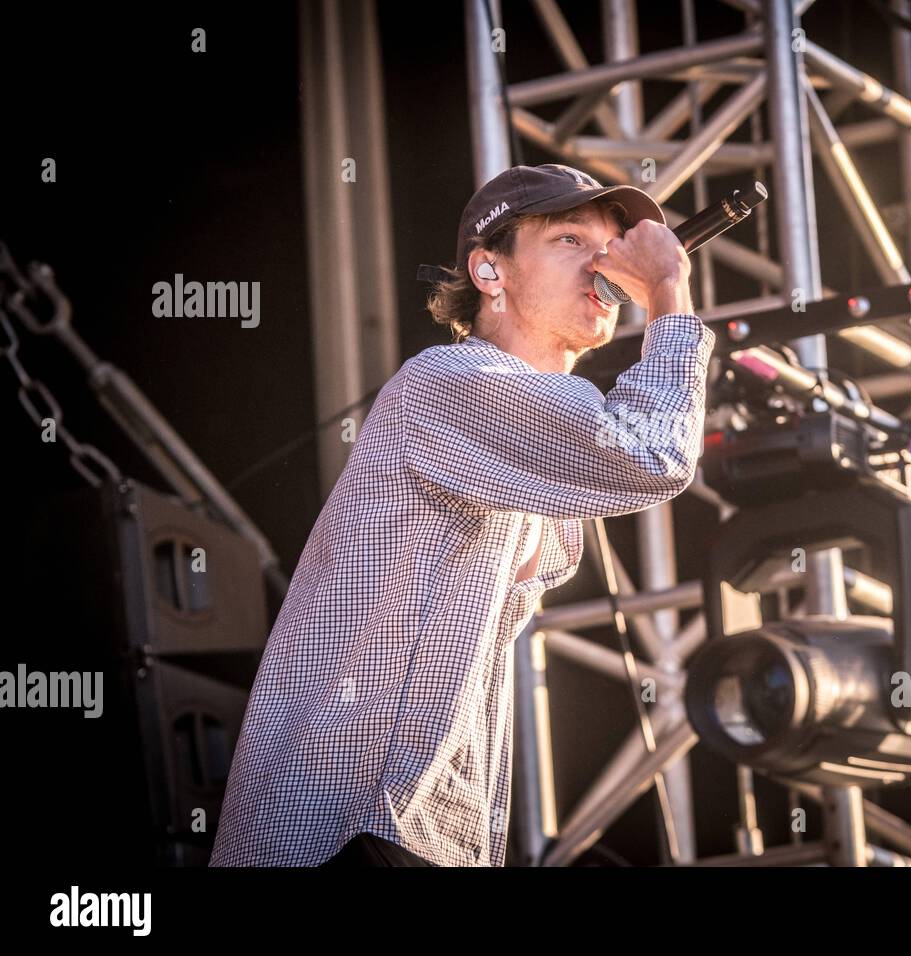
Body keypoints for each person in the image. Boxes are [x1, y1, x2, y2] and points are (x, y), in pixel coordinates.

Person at [208, 163, 715, 866]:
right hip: (347, 819)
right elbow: (654, 455)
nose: (602, 261)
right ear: (489, 272)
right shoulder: (450, 383)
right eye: (571, 239)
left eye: (610, 245)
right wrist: (668, 291)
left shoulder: (534, 434)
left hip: (430, 826)